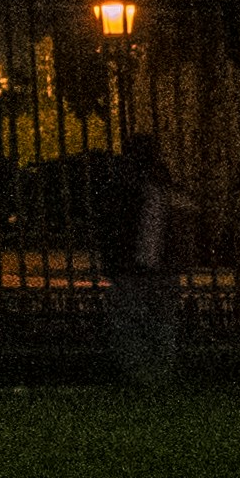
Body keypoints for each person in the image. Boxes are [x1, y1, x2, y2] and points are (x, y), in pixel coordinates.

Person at [99, 128, 187, 386]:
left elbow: (114, 229)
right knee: (160, 322)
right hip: (158, 269)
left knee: (131, 323)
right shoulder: (164, 184)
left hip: (133, 269)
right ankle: (158, 373)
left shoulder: (123, 186)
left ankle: (141, 374)